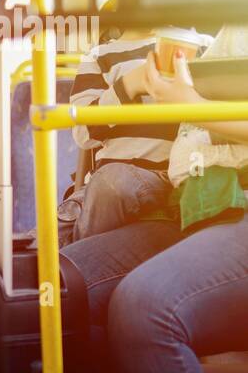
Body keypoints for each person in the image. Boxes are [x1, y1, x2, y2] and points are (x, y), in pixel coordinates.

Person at [61, 30, 248, 373]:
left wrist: (190, 105)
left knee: (148, 306)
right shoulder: (218, 26)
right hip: (203, 213)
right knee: (61, 292)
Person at [58, 27, 213, 243]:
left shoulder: (200, 45)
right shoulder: (99, 57)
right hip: (106, 178)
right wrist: (128, 86)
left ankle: (86, 268)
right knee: (40, 243)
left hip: (167, 174)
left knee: (112, 182)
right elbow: (83, 134)